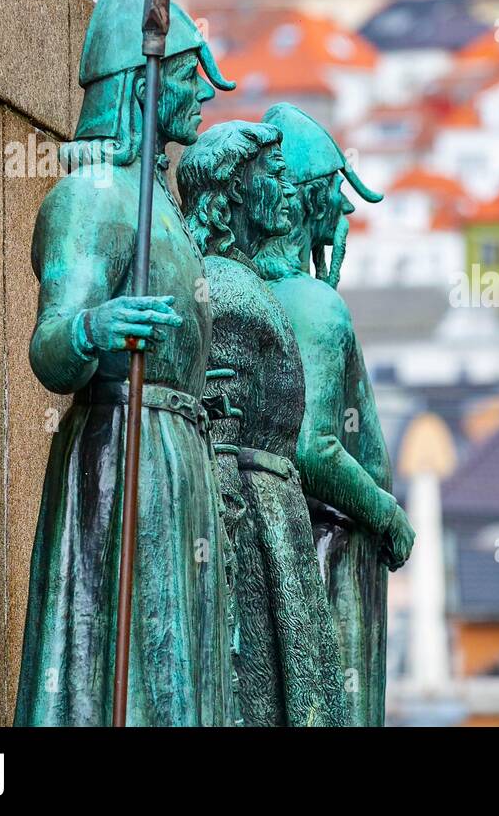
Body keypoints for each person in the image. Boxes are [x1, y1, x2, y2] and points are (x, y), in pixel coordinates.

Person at [15, 0, 239, 726]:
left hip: (178, 462)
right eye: (186, 77)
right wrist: (94, 329)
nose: (201, 99)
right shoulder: (94, 199)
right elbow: (50, 348)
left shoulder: (164, 210)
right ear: (143, 86)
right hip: (123, 455)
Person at [177, 121, 346, 726]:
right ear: (233, 195)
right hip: (252, 527)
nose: (289, 191)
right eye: (273, 178)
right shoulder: (221, 288)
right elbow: (216, 444)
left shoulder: (243, 282)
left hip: (270, 515)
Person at [254, 102, 415, 726]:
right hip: (332, 550)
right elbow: (315, 447)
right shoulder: (315, 307)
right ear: (302, 201)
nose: (345, 211)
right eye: (333, 193)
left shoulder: (264, 290)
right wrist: (389, 516)